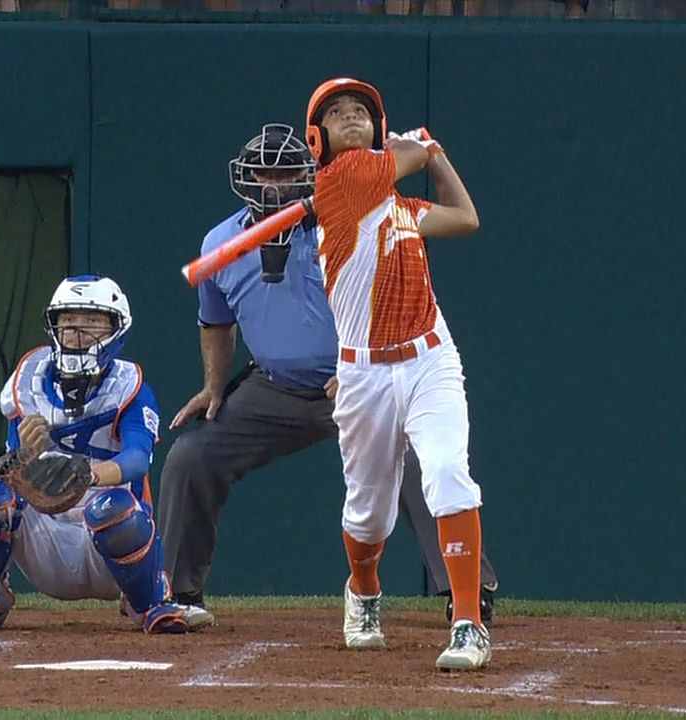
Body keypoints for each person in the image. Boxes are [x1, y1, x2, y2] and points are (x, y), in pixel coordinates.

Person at [159, 123, 497, 622]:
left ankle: (468, 590)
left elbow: (378, 291)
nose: (273, 185)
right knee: (191, 456)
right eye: (261, 174)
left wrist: (351, 364)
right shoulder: (222, 240)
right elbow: (215, 318)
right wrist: (213, 384)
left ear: (310, 173)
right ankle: (173, 593)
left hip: (358, 375)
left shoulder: (344, 218)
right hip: (274, 386)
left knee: (421, 461)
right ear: (243, 178)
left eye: (287, 172)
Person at [0, 275, 214, 634]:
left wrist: (89, 475)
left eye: (92, 322)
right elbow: (11, 473)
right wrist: (25, 454)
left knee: (112, 508)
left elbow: (137, 459)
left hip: (110, 539)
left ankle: (147, 603)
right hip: (46, 533)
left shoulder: (129, 386)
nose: (77, 332)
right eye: (68, 322)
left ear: (116, 328)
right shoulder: (29, 380)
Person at [304, 77, 489, 670]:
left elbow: (464, 217)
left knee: (446, 472)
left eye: (361, 111)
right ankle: (363, 590)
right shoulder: (337, 184)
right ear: (319, 139)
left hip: (429, 355)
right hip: (363, 374)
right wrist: (423, 147)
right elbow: (405, 158)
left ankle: (468, 624)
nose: (352, 119)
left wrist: (439, 156)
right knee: (369, 511)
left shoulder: (400, 204)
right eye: (337, 115)